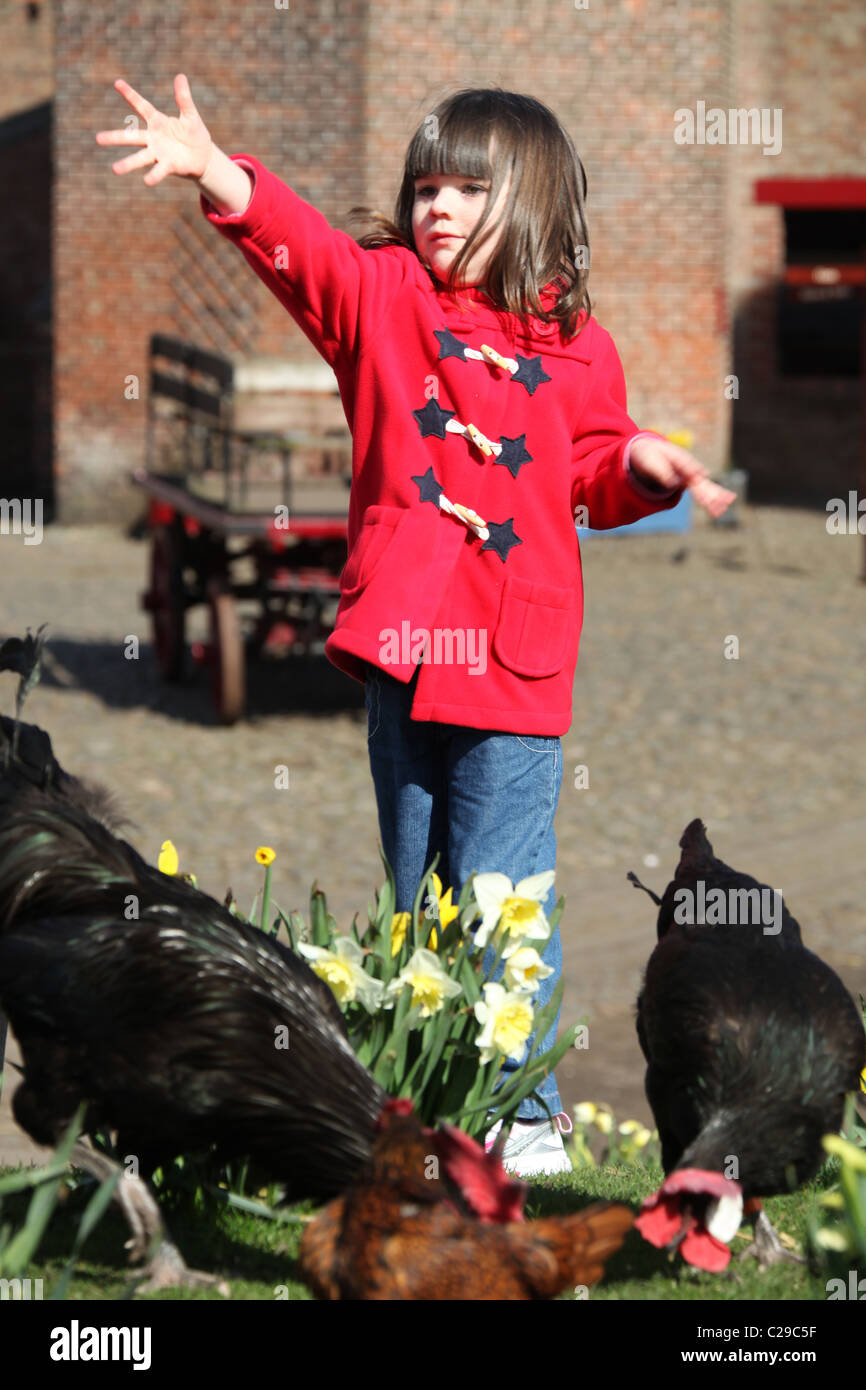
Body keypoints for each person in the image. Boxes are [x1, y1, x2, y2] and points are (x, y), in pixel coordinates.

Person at [96, 76, 733, 1176]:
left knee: (504, 893)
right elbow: (305, 250)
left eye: (466, 189)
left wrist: (639, 463)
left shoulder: (581, 345)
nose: (435, 207)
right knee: (419, 891)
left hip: (513, 664)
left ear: (528, 202)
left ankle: (525, 1118)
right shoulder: (385, 298)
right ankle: (438, 1101)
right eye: (424, 185)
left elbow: (589, 465)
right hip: (399, 651)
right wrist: (216, 170)